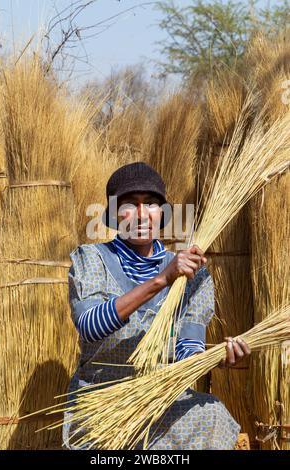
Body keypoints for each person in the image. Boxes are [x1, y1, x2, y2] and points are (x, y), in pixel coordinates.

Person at [62, 162, 250, 450]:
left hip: (161, 402)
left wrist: (216, 358)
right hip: (102, 404)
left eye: (150, 204)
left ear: (162, 213)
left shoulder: (192, 273)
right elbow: (90, 325)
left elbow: (189, 349)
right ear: (114, 214)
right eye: (129, 204)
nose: (141, 214)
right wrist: (162, 279)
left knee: (211, 412)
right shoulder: (90, 259)